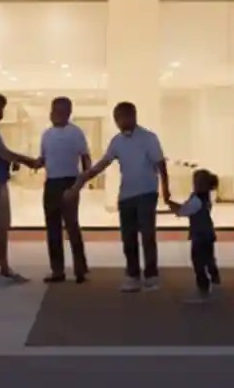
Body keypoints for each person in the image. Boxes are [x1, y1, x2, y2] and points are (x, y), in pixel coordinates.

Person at [68, 101, 170, 293]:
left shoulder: (148, 138)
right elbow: (103, 164)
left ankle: (151, 275)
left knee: (147, 235)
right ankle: (132, 275)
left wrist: (166, 190)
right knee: (128, 237)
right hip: (126, 195)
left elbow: (160, 164)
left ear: (133, 116)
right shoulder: (117, 141)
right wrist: (82, 179)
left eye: (123, 117)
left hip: (147, 192)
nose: (120, 122)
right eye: (117, 118)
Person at [0, 92, 40, 285]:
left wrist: (13, 162)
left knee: (2, 227)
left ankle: (4, 268)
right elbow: (2, 151)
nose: (2, 112)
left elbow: (0, 154)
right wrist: (28, 161)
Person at [38, 96, 91, 284]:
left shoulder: (76, 133)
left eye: (59, 111)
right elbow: (43, 159)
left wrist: (82, 182)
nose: (54, 114)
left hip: (70, 182)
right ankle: (57, 270)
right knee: (52, 228)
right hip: (51, 183)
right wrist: (30, 162)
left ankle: (80, 269)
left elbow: (86, 159)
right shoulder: (46, 134)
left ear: (68, 113)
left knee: (72, 226)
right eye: (53, 110)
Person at [165, 169, 221, 303]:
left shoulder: (197, 199)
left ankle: (203, 288)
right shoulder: (204, 198)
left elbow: (183, 211)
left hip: (199, 235)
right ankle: (215, 279)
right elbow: (185, 208)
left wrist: (169, 203)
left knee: (198, 262)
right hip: (207, 233)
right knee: (208, 258)